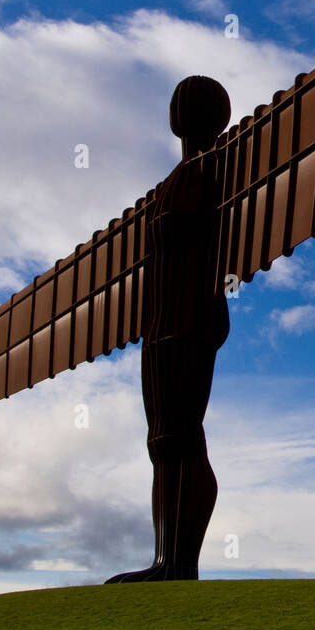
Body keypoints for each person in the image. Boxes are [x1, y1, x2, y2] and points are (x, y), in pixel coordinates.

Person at [106, 76, 231, 582]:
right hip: (158, 324)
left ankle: (182, 563)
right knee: (161, 441)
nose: (180, 109)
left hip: (192, 317)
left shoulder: (220, 166)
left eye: (191, 102)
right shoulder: (165, 188)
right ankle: (164, 559)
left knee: (183, 435)